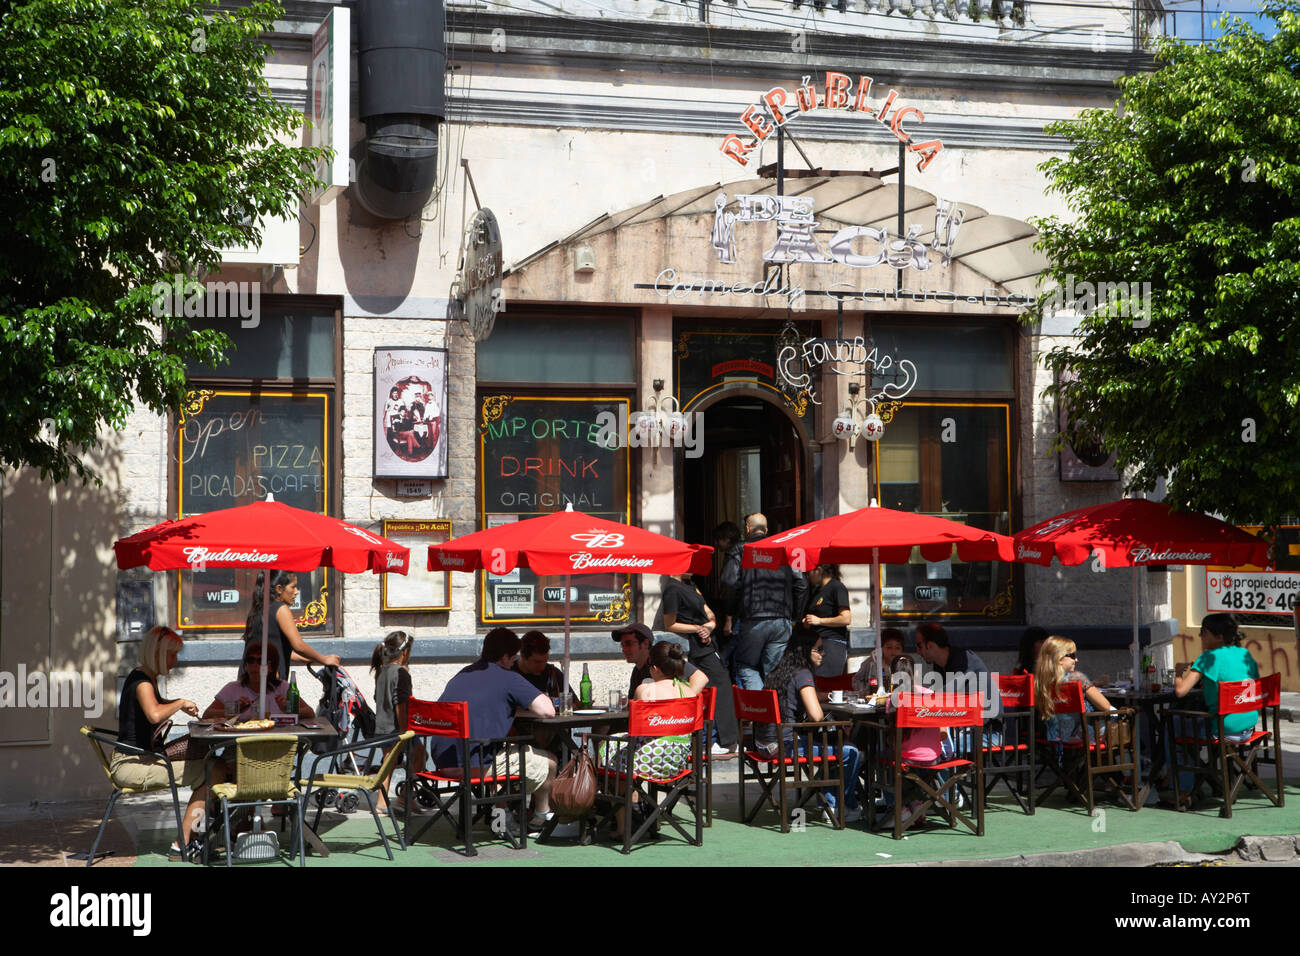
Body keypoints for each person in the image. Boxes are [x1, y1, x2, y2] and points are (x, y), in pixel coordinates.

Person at [112, 626, 225, 861]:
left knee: (212, 763)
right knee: (213, 770)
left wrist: (177, 703)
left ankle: (197, 833)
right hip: (132, 765)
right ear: (158, 654)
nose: (175, 660)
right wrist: (181, 702)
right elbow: (154, 714)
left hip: (141, 759)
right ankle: (183, 844)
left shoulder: (145, 678)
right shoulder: (142, 682)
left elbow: (158, 705)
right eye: (172, 654)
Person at [436, 628, 558, 833]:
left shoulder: (463, 674)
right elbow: (548, 711)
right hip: (474, 765)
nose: (513, 663)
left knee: (498, 754)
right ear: (504, 657)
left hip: (443, 762)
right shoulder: (508, 678)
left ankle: (501, 820)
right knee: (550, 761)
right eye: (513, 658)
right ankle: (541, 817)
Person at [757, 628, 862, 821]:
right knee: (851, 751)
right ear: (805, 650)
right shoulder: (803, 674)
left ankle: (829, 802)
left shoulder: (777, 671)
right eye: (819, 649)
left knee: (831, 746)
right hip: (786, 745)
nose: (823, 653)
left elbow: (797, 696)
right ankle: (837, 806)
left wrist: (822, 695)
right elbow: (816, 715)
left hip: (763, 745)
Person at [1171, 613, 1261, 799]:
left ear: (1218, 636)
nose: (1200, 637)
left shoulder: (1208, 658)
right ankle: (1201, 778)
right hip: (1248, 726)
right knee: (1187, 724)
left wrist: (1178, 672)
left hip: (1222, 728)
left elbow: (1180, 692)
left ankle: (1184, 789)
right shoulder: (1244, 654)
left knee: (1171, 724)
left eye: (1204, 632)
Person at [721, 511, 808, 691]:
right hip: (781, 619)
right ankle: (777, 712)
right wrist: (794, 616)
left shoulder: (739, 549)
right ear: (766, 529)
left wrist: (731, 614)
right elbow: (801, 584)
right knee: (776, 671)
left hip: (752, 619)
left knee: (746, 666)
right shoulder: (785, 549)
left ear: (747, 529)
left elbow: (729, 582)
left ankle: (762, 711)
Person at [661, 572, 739, 756]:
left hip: (707, 642)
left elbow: (709, 611)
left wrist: (709, 626)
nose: (692, 567)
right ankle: (723, 740)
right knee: (718, 685)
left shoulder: (691, 585)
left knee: (721, 685)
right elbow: (669, 624)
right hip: (696, 647)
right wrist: (698, 629)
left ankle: (725, 740)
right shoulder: (672, 589)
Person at [241, 570, 339, 683]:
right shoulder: (280, 608)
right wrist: (324, 659)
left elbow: (276, 649)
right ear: (279, 589)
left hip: (249, 682)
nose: (296, 592)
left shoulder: (259, 609)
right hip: (269, 684)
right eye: (293, 587)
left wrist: (308, 658)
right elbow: (298, 645)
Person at [369, 630, 425, 810]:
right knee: (420, 756)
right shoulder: (401, 673)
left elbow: (378, 698)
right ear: (405, 652)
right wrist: (405, 730)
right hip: (398, 728)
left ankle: (381, 802)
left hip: (382, 726)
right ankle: (405, 796)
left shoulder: (382, 671)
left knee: (388, 763)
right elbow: (400, 703)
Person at [203, 642, 315, 721]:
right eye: (250, 660)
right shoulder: (232, 688)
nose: (255, 665)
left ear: (271, 666)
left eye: (261, 660)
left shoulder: (283, 687)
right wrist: (235, 709)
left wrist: (289, 709)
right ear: (245, 665)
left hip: (276, 745)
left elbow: (310, 713)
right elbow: (207, 715)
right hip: (238, 747)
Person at [1034, 636, 1113, 745]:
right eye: (1072, 655)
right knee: (1120, 717)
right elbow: (1105, 706)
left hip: (1054, 737)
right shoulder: (1077, 678)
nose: (1076, 659)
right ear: (1059, 659)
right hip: (1083, 737)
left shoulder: (1041, 682)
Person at [613, 622, 708, 701]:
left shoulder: (663, 659)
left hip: (671, 720)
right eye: (622, 645)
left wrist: (683, 703)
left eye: (628, 644)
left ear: (645, 643)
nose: (623, 649)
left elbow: (701, 678)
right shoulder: (637, 670)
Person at [803, 564, 852, 677]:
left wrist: (819, 621)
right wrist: (808, 622)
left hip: (832, 644)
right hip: (815, 645)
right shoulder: (817, 591)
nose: (807, 576)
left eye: (808, 572)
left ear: (818, 570)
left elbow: (845, 618)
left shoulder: (837, 587)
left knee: (826, 686)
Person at [512, 630, 572, 700]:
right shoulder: (508, 674)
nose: (542, 667)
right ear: (523, 656)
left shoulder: (553, 673)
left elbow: (575, 703)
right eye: (537, 662)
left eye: (545, 661)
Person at [853, 627, 906, 695]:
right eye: (889, 647)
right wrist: (864, 691)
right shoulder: (872, 662)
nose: (893, 651)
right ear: (881, 648)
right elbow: (856, 679)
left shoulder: (904, 664)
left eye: (897, 648)